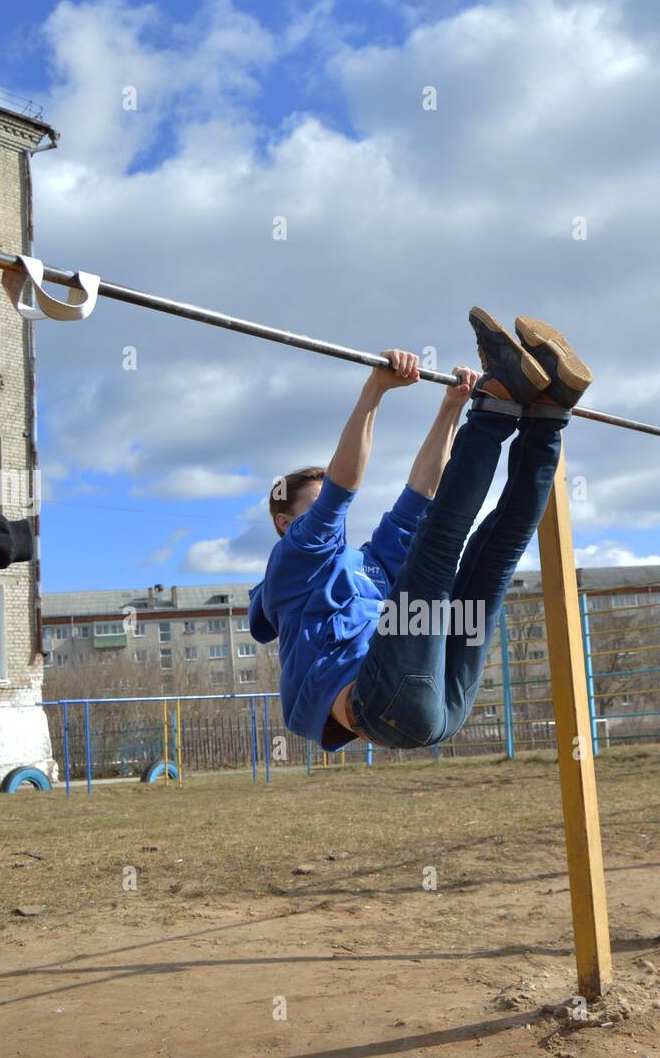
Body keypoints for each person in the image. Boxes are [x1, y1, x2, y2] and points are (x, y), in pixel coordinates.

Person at [249, 308, 592, 751]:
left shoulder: (368, 567)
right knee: (437, 548)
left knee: (491, 560)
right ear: (284, 522)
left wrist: (451, 409)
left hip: (440, 705)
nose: (326, 517)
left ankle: (547, 415)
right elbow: (341, 490)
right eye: (311, 508)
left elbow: (420, 496)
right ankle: (498, 407)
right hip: (382, 703)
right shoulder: (291, 566)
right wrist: (375, 390)